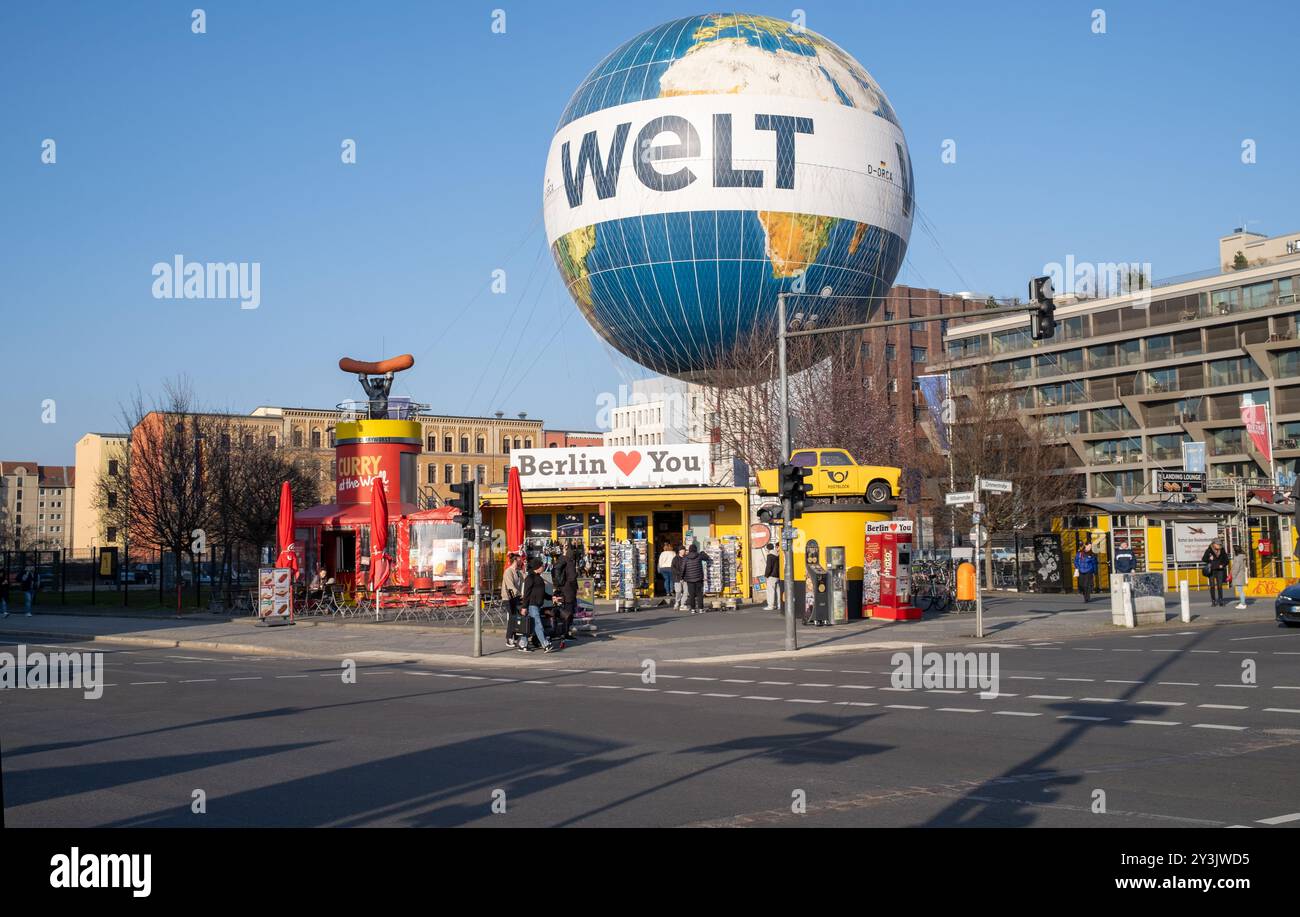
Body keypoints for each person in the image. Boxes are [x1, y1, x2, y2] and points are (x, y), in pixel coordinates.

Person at [519, 557, 554, 652]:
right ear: (537, 567)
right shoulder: (530, 578)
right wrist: (524, 607)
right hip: (532, 605)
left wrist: (551, 597)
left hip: (536, 605)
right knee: (538, 625)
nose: (543, 566)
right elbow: (527, 593)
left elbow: (541, 593)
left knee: (529, 625)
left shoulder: (538, 577)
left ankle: (522, 643)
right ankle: (545, 644)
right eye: (542, 565)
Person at [550, 544, 579, 639]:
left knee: (563, 612)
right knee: (568, 613)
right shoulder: (569, 562)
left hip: (561, 590)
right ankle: (565, 633)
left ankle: (561, 631)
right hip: (569, 591)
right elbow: (572, 577)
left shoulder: (560, 560)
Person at [500, 552, 526, 647]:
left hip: (516, 597)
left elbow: (526, 580)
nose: (521, 561)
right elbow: (510, 586)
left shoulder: (518, 572)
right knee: (512, 617)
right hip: (508, 598)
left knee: (517, 617)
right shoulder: (508, 571)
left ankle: (515, 636)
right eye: (519, 559)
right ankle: (509, 638)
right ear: (515, 560)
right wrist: (521, 594)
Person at [681, 543, 711, 614]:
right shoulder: (699, 556)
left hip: (689, 579)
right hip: (699, 579)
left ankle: (693, 609)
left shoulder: (686, 557)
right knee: (699, 594)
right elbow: (707, 558)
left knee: (691, 595)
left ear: (689, 550)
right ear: (696, 549)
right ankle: (701, 609)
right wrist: (703, 552)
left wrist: (681, 577)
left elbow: (683, 568)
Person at [1202, 539, 1230, 607]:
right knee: (1212, 586)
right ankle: (1213, 601)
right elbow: (1203, 559)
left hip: (1220, 570)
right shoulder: (1209, 550)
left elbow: (1226, 560)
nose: (1219, 546)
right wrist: (1209, 559)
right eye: (1218, 544)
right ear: (1214, 544)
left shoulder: (1222, 550)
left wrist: (1222, 565)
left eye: (1220, 544)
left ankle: (1220, 600)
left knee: (1220, 586)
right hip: (1211, 571)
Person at [764, 546, 781, 611]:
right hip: (777, 575)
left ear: (768, 549)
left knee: (770, 591)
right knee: (778, 591)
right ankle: (779, 605)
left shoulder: (770, 556)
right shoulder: (777, 555)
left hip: (771, 575)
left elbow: (769, 567)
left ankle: (771, 606)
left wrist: (766, 575)